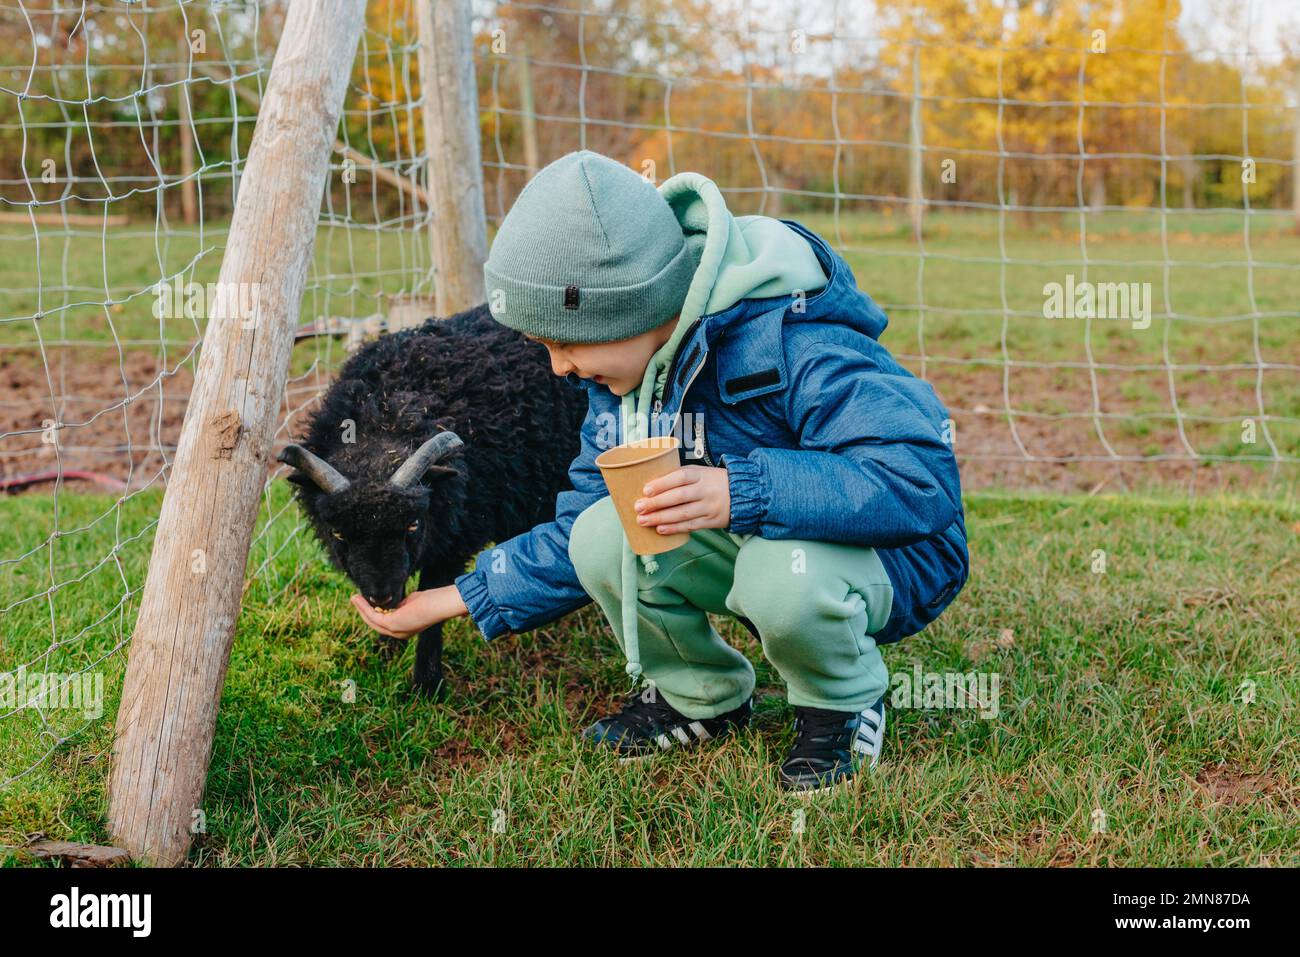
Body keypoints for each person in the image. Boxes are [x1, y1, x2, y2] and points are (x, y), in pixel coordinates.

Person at [350, 149, 968, 793]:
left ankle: (842, 705)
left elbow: (917, 480)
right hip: (761, 538)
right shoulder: (624, 381)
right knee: (602, 530)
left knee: (778, 576)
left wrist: (742, 492)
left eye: (565, 343)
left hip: (890, 555)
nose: (557, 368)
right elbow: (577, 529)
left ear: (628, 309)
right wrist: (454, 598)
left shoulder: (797, 338)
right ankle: (701, 696)